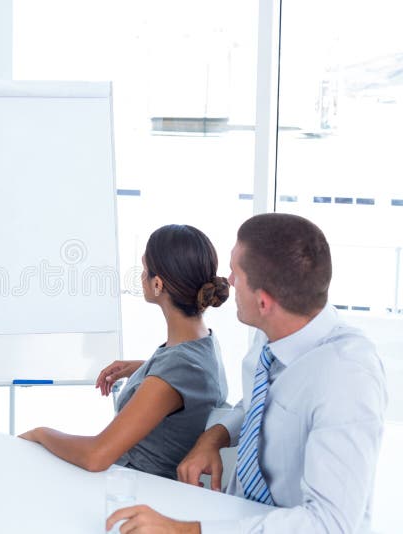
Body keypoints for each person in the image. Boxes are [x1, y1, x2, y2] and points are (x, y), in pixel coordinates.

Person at [106, 213, 387, 533]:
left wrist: (185, 530)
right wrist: (214, 437)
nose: (227, 281)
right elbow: (257, 404)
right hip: (238, 510)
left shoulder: (348, 379)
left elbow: (329, 524)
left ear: (264, 301)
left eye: (236, 273)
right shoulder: (276, 330)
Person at [19, 225, 230, 478]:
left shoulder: (177, 371)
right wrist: (144, 368)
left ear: (157, 284)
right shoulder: (203, 342)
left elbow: (96, 456)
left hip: (137, 491)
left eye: (144, 270)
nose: (141, 276)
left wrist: (41, 433)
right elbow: (186, 385)